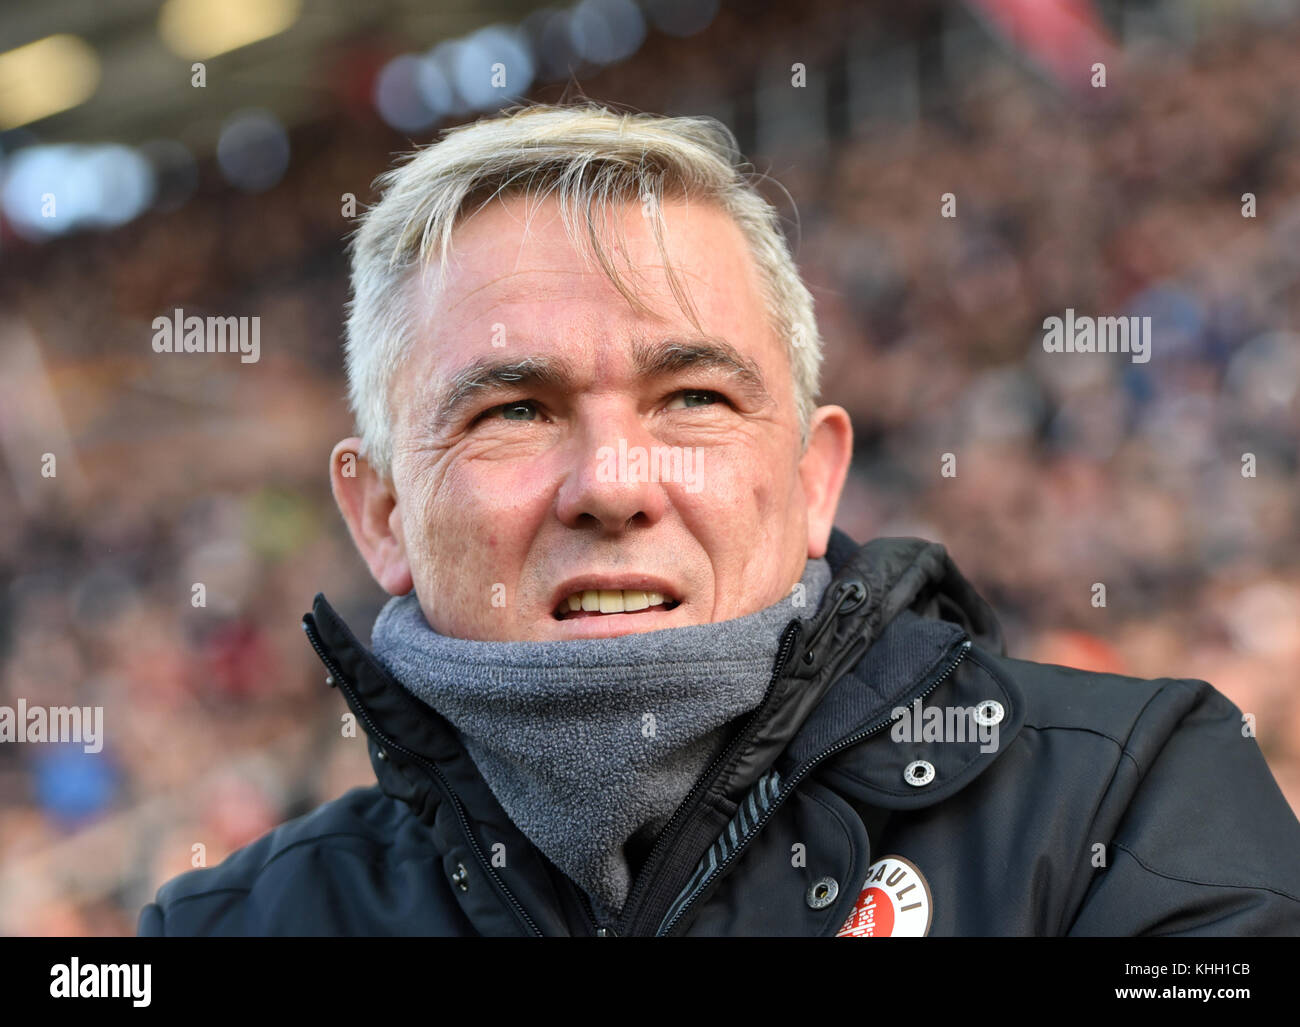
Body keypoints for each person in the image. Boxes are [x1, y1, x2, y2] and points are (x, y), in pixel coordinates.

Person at [139, 103, 1300, 936]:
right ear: (380, 512)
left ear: (811, 476)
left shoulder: (1128, 795)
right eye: (513, 409)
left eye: (690, 398)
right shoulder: (222, 924)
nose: (612, 481)